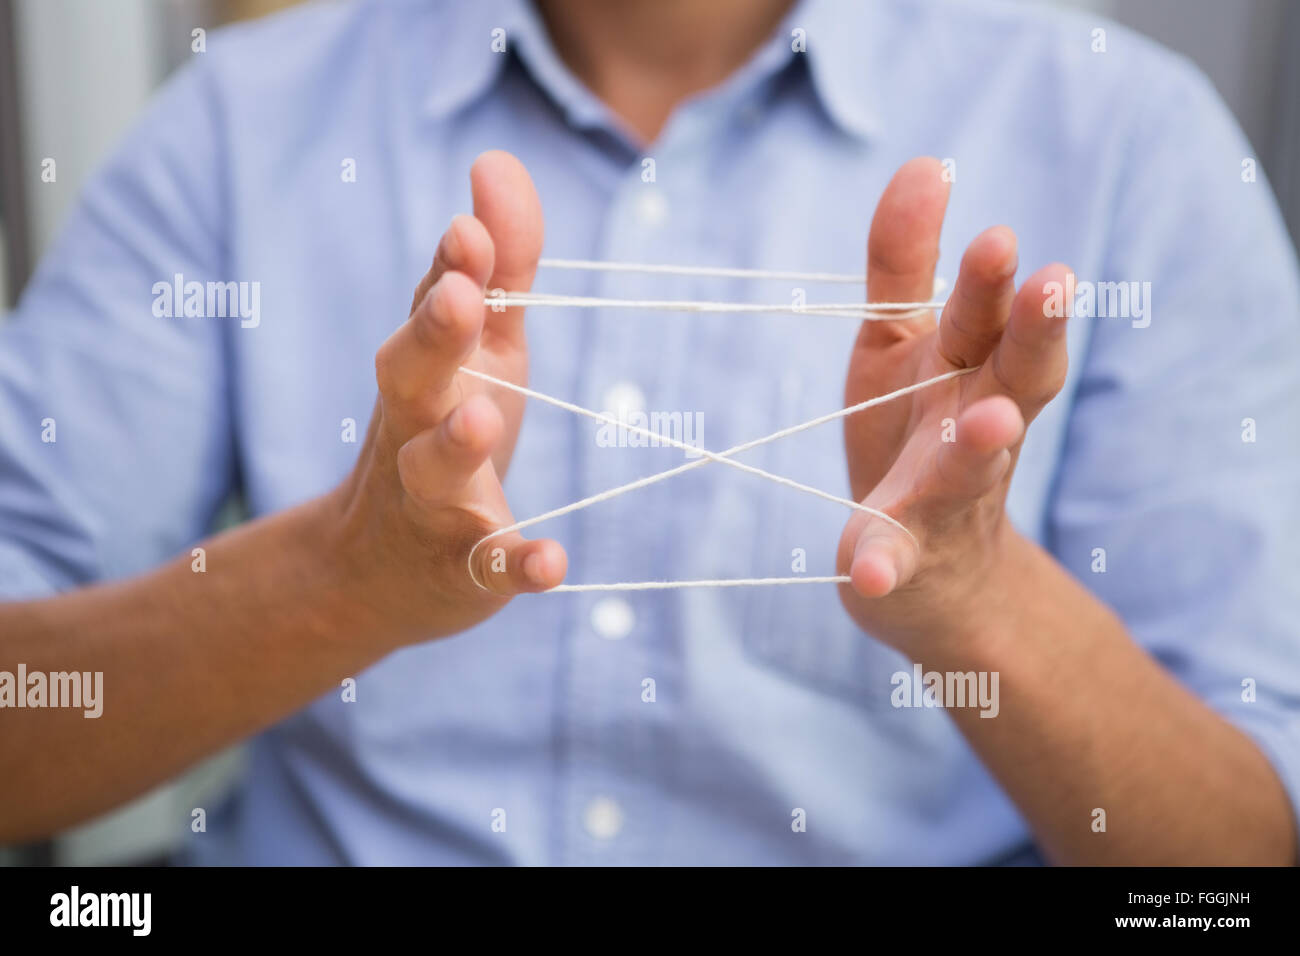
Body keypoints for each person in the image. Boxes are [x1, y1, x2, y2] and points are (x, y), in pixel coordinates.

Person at [1, 0, 1297, 865]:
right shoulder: (247, 120)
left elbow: (1244, 852)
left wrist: (977, 601)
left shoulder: (1128, 136)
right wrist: (338, 588)